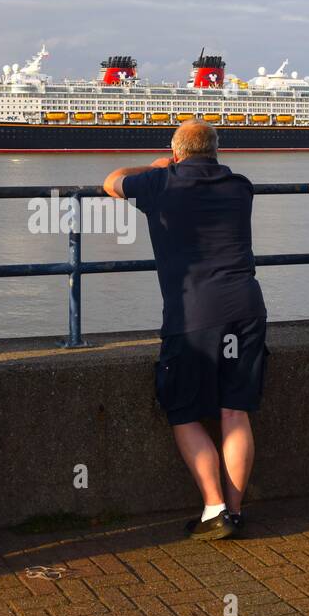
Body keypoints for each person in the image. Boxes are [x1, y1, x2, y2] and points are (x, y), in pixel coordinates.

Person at [103, 120, 267, 541]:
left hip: (192, 315)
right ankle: (235, 509)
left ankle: (213, 508)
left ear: (176, 152)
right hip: (246, 309)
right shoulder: (240, 185)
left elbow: (111, 183)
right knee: (235, 409)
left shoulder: (161, 183)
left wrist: (155, 167)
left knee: (183, 411)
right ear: (215, 151)